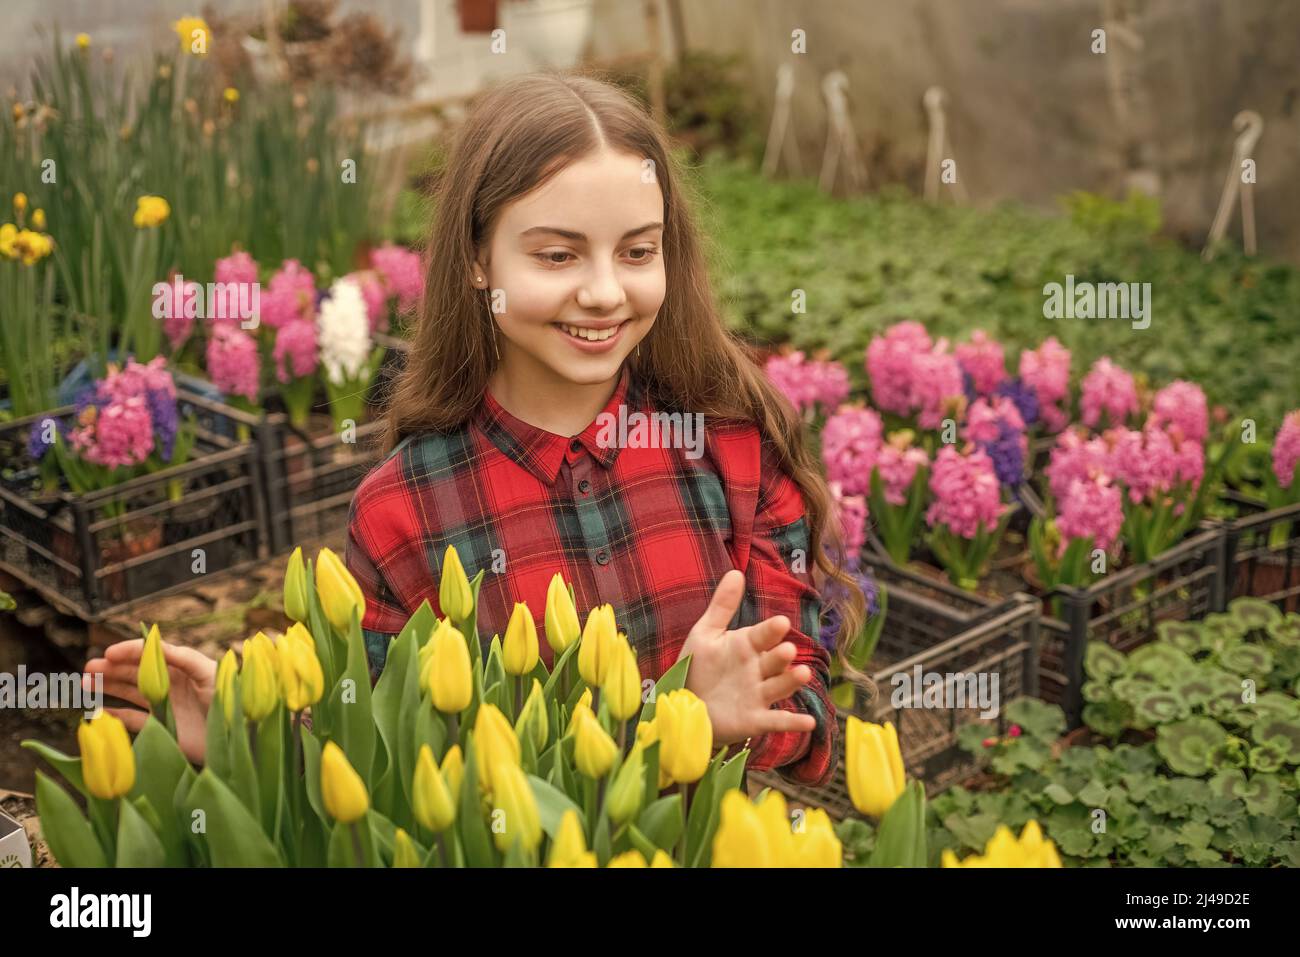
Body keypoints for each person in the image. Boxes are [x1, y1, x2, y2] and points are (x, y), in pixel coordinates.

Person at [84, 71, 865, 783]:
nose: (603, 291)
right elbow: (382, 759)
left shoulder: (728, 444)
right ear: (476, 260)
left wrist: (746, 722)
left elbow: (814, 726)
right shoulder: (404, 509)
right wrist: (250, 729)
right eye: (557, 256)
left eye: (637, 252)